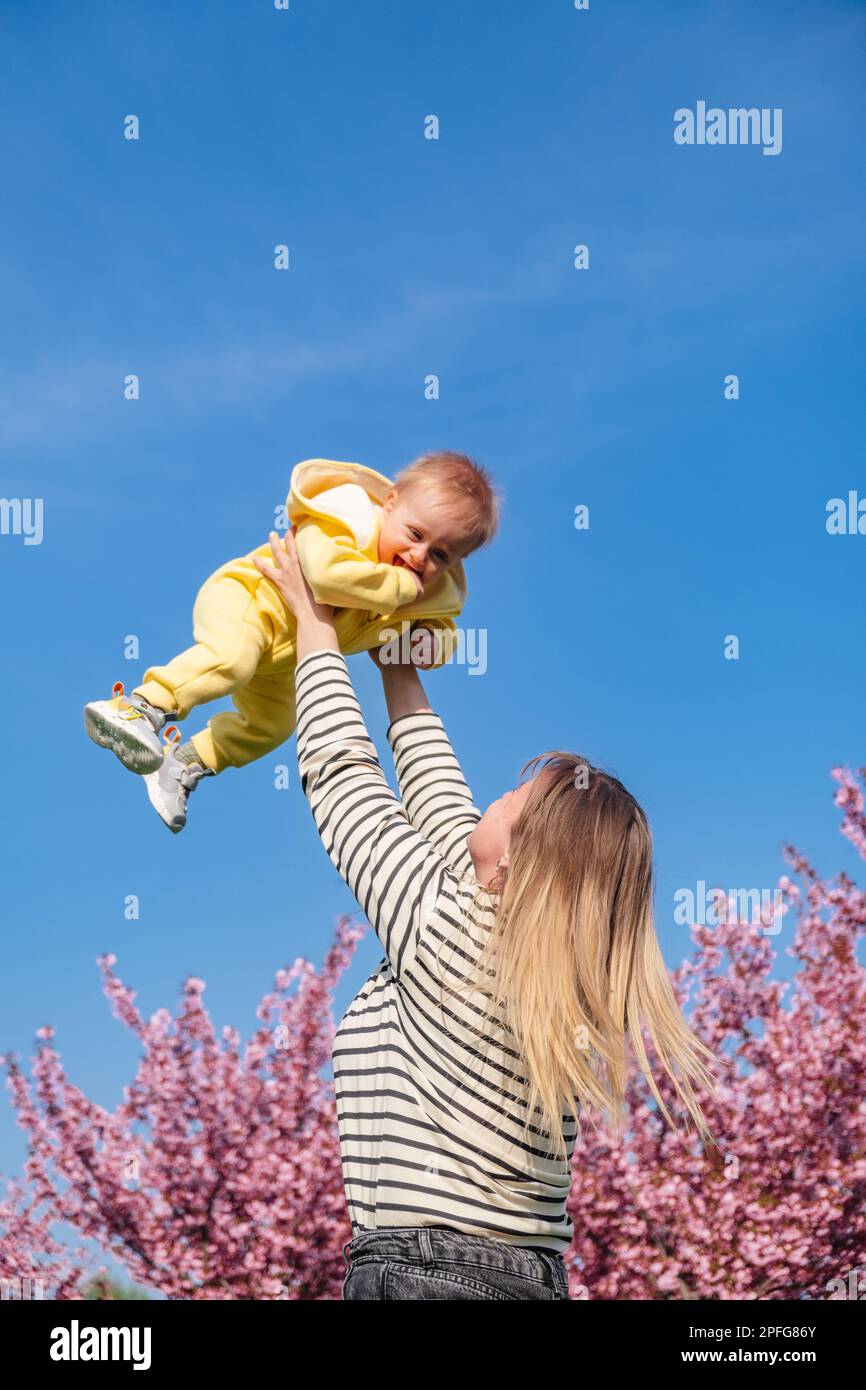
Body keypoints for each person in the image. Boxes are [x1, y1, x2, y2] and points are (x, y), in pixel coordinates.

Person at [257, 526, 720, 1302]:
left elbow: (345, 783)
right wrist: (399, 675)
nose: (496, 792)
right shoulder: (548, 972)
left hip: (423, 1275)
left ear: (514, 868)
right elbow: (445, 814)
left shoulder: (445, 932)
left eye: (513, 799)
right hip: (528, 1280)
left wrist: (315, 628)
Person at [82, 451, 498, 832]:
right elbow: (324, 576)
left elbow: (442, 630)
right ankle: (140, 708)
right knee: (230, 660)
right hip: (252, 601)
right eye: (414, 533)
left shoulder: (431, 592)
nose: (420, 556)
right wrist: (399, 590)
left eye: (441, 555)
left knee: (274, 724)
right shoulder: (347, 517)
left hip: (284, 659)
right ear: (389, 504)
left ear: (457, 564)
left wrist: (431, 645)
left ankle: (182, 765)